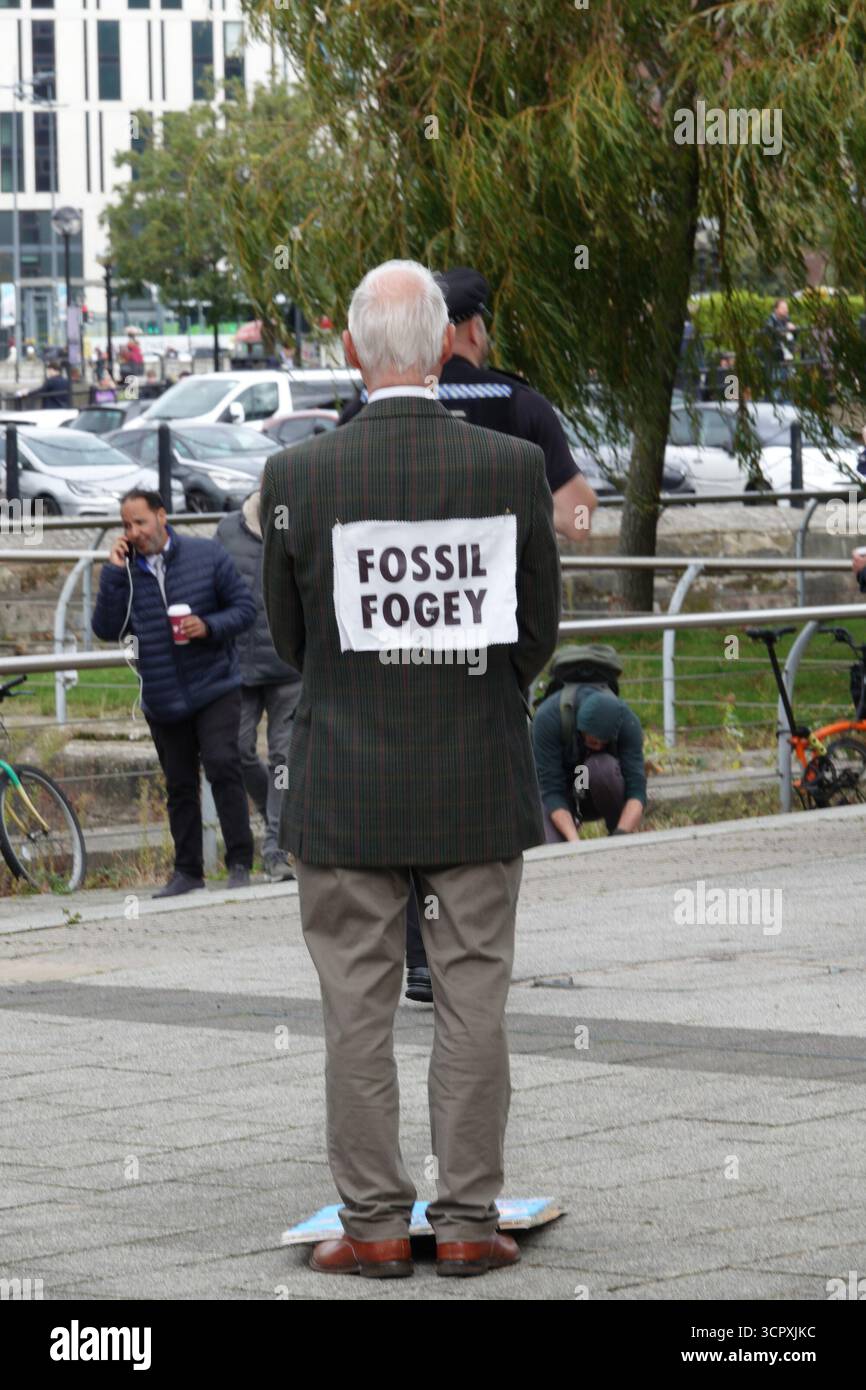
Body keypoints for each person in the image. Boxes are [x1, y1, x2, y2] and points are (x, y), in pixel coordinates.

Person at [261, 259, 561, 1279]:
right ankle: (470, 1220)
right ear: (443, 348)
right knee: (473, 996)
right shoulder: (510, 470)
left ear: (348, 352)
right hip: (475, 776)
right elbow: (533, 635)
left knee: (356, 1006)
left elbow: (290, 641)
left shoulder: (296, 479)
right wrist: (470, 687)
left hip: (344, 787)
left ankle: (376, 1226)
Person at [341, 265, 597, 1002]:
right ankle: (458, 962)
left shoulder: (360, 418)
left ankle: (408, 958)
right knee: (463, 800)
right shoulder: (518, 406)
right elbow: (577, 516)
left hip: (379, 657)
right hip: (482, 659)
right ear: (468, 331)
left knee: (397, 793)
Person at [91, 489, 257, 897]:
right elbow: (107, 629)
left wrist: (209, 625)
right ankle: (188, 871)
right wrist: (113, 572)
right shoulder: (125, 572)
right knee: (180, 783)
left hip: (214, 683)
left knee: (222, 764)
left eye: (140, 522)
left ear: (162, 517)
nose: (134, 532)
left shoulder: (207, 555)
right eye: (126, 525)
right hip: (163, 694)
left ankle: (239, 861)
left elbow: (245, 609)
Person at [216, 488, 301, 882]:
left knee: (284, 758)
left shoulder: (301, 525)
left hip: (290, 668)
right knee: (238, 750)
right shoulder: (227, 531)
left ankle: (276, 850)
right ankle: (276, 813)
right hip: (240, 666)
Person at [532, 680, 646, 842]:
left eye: (604, 743)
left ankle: (617, 831)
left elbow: (637, 791)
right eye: (593, 742)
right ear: (580, 729)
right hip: (559, 794)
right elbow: (551, 791)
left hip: (594, 788)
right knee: (549, 847)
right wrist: (576, 843)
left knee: (603, 768)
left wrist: (621, 837)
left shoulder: (627, 722)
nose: (598, 746)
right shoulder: (548, 718)